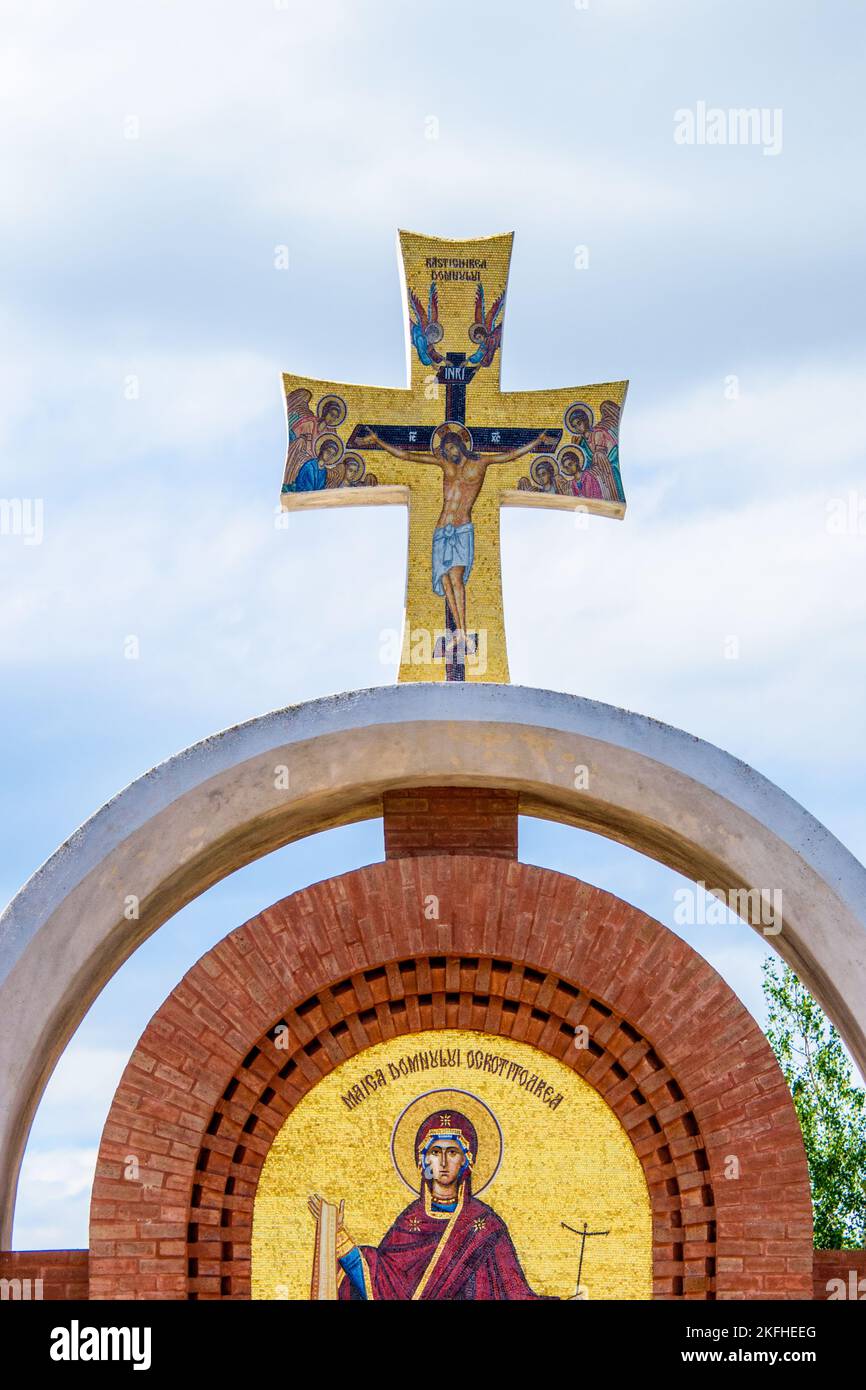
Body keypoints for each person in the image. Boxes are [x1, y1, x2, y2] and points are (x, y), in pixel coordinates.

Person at [309, 1109, 554, 1300]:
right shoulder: (410, 1221)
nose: (444, 1161)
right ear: (423, 1160)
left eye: (453, 1152)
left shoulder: (486, 1225)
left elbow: (514, 1292)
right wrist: (339, 1237)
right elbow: (381, 1286)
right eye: (436, 1152)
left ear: (466, 1161)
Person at [354, 423, 556, 641]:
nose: (450, 453)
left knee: (457, 578)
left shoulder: (481, 463)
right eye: (446, 450)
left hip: (461, 529)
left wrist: (537, 442)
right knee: (446, 580)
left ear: (461, 445)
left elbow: (510, 455)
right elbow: (407, 456)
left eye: (452, 448)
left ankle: (462, 630)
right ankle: (458, 632)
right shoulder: (445, 465)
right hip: (441, 529)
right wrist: (377, 441)